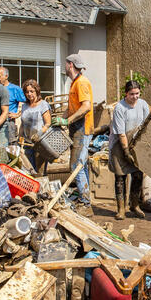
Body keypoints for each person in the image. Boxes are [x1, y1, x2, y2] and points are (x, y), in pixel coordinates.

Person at [54, 54, 94, 213]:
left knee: (76, 166)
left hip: (83, 129)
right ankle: (84, 199)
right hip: (77, 129)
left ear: (70, 65)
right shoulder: (75, 83)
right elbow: (73, 108)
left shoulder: (81, 82)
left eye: (65, 64)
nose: (64, 66)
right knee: (80, 166)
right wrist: (61, 119)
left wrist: (67, 121)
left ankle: (86, 204)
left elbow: (86, 107)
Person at [109, 80, 151, 220]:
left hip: (136, 143)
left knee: (138, 175)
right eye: (132, 94)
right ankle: (121, 208)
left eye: (137, 93)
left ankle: (134, 205)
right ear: (126, 94)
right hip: (119, 145)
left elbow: (147, 126)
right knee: (120, 177)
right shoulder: (120, 108)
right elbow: (121, 133)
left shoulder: (143, 105)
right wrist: (126, 151)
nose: (135, 97)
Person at [19, 79, 51, 173]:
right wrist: (20, 137)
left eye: (31, 91)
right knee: (29, 171)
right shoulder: (24, 106)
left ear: (37, 91)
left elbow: (48, 123)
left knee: (40, 172)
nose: (29, 94)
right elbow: (22, 124)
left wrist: (39, 134)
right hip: (28, 144)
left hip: (40, 143)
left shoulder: (43, 105)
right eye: (27, 92)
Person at [0, 67, 27, 138]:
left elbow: (29, 103)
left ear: (6, 76)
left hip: (8, 123)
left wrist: (18, 114)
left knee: (9, 144)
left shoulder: (15, 89)